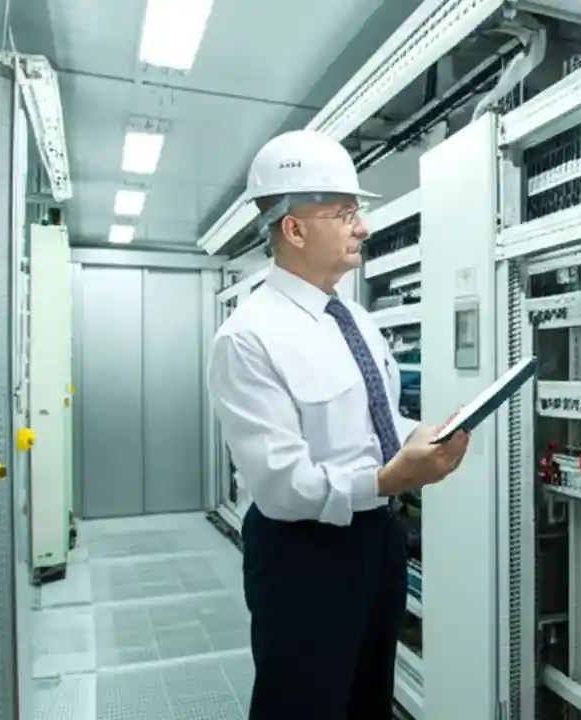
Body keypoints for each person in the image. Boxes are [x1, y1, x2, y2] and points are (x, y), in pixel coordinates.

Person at [207, 129, 471, 719]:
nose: (363, 227)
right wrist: (386, 481)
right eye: (346, 213)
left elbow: (373, 421)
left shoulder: (352, 317)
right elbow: (280, 484)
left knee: (367, 701)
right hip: (303, 554)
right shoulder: (248, 338)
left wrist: (418, 438)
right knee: (301, 704)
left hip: (376, 541)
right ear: (294, 229)